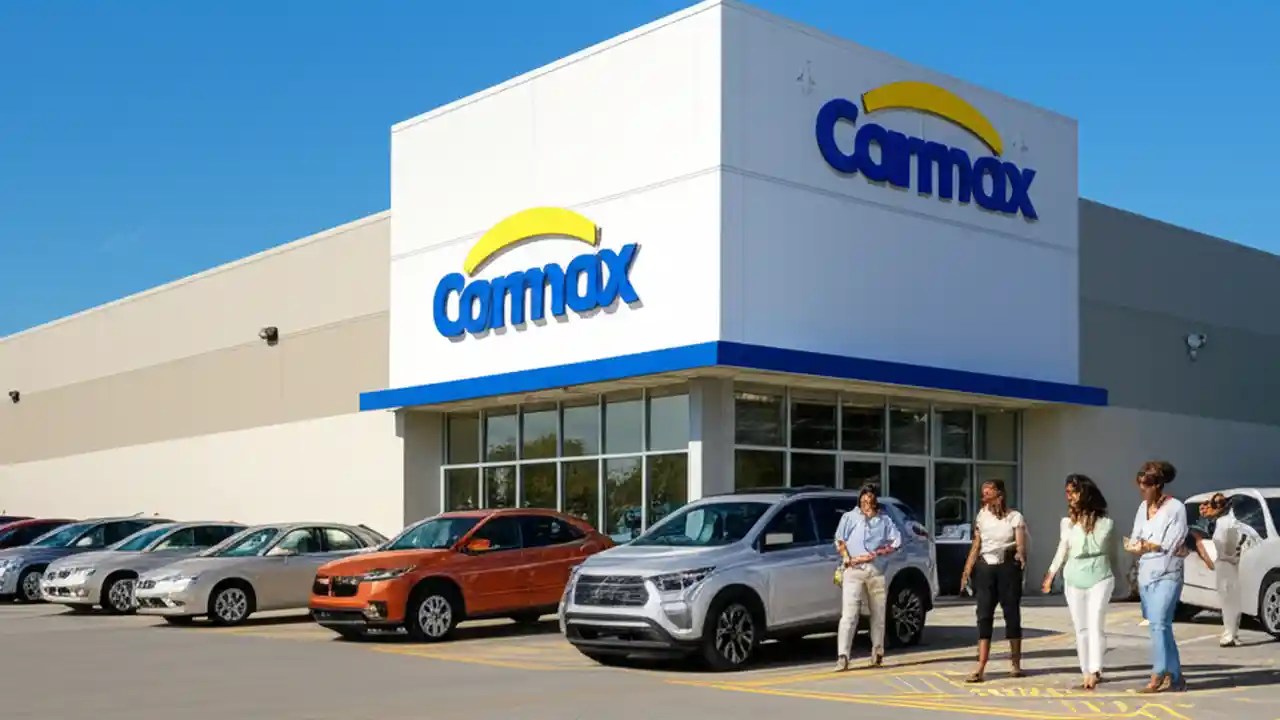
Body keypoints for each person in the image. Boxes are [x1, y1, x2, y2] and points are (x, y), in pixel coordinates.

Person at [1042, 474, 1119, 690]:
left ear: (1084, 493)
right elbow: (1063, 549)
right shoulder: (1066, 522)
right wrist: (1051, 574)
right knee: (1080, 628)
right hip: (1073, 576)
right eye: (1067, 492)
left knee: (1095, 624)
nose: (1069, 497)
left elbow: (1109, 551)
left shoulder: (1106, 523)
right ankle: (1085, 669)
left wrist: (1121, 579)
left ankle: (1095, 669)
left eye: (1073, 492)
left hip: (1100, 576)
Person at [1124, 460, 1189, 693]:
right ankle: (1177, 675)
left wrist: (1147, 545)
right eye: (1140, 485)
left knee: (1160, 622)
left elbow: (1171, 543)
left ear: (1158, 485)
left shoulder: (1176, 508)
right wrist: (1135, 545)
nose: (1142, 490)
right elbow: (1136, 537)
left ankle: (1158, 672)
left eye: (1146, 485)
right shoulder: (1142, 508)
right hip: (1147, 573)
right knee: (1159, 626)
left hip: (1168, 572)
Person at [959, 478, 1028, 683]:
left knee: (1011, 613)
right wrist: (967, 570)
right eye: (983, 493)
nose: (985, 497)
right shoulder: (982, 516)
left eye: (989, 493)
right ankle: (981, 665)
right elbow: (977, 544)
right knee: (984, 615)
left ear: (1000, 494)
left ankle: (1015, 663)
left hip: (1007, 567)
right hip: (985, 568)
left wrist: (1021, 556)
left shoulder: (1014, 517)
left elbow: (1021, 545)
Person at [833, 483, 903, 672]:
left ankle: (877, 651)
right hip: (853, 569)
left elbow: (897, 542)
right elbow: (839, 540)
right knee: (849, 613)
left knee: (878, 613)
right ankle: (843, 655)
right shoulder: (849, 517)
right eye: (864, 501)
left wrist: (878, 553)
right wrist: (847, 558)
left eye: (870, 501)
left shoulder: (884, 520)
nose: (867, 506)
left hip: (875, 569)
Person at [1200, 493, 1262, 647]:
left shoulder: (1225, 523)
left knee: (1229, 600)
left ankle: (1230, 634)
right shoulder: (1232, 523)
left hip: (1227, 564)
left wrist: (1231, 557)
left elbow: (1225, 549)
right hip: (1230, 564)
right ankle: (1231, 633)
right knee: (1231, 601)